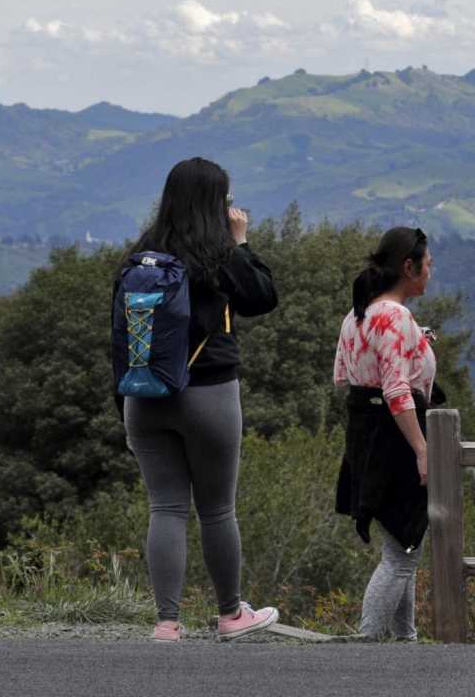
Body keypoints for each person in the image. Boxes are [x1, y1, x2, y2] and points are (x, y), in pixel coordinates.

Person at [115, 157, 280, 642]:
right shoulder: (218, 254)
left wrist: (123, 406)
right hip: (209, 392)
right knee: (216, 510)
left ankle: (166, 623)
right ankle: (231, 615)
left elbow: (120, 338)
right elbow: (262, 296)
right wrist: (241, 240)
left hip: (144, 396)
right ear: (215, 204)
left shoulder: (139, 257)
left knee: (165, 509)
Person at [332, 226, 440, 640]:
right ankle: (369, 640)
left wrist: (415, 343)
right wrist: (422, 449)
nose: (431, 272)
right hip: (396, 437)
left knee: (402, 543)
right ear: (408, 267)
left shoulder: (356, 314)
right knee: (402, 554)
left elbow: (344, 377)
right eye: (428, 265)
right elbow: (396, 390)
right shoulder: (395, 317)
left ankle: (405, 641)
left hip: (363, 435)